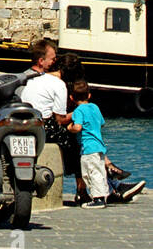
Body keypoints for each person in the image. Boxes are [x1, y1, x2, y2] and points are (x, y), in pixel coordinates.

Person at [19, 49, 86, 203]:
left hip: (26, 122)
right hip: (44, 128)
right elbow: (60, 119)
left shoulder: (34, 77)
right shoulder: (59, 84)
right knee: (76, 143)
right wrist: (77, 112)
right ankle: (81, 189)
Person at [67, 81, 109, 209]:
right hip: (99, 146)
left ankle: (98, 199)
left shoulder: (78, 111)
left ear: (71, 98)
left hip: (88, 147)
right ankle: (102, 196)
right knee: (99, 171)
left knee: (90, 173)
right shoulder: (95, 107)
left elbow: (78, 127)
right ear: (89, 95)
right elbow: (102, 122)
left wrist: (70, 128)